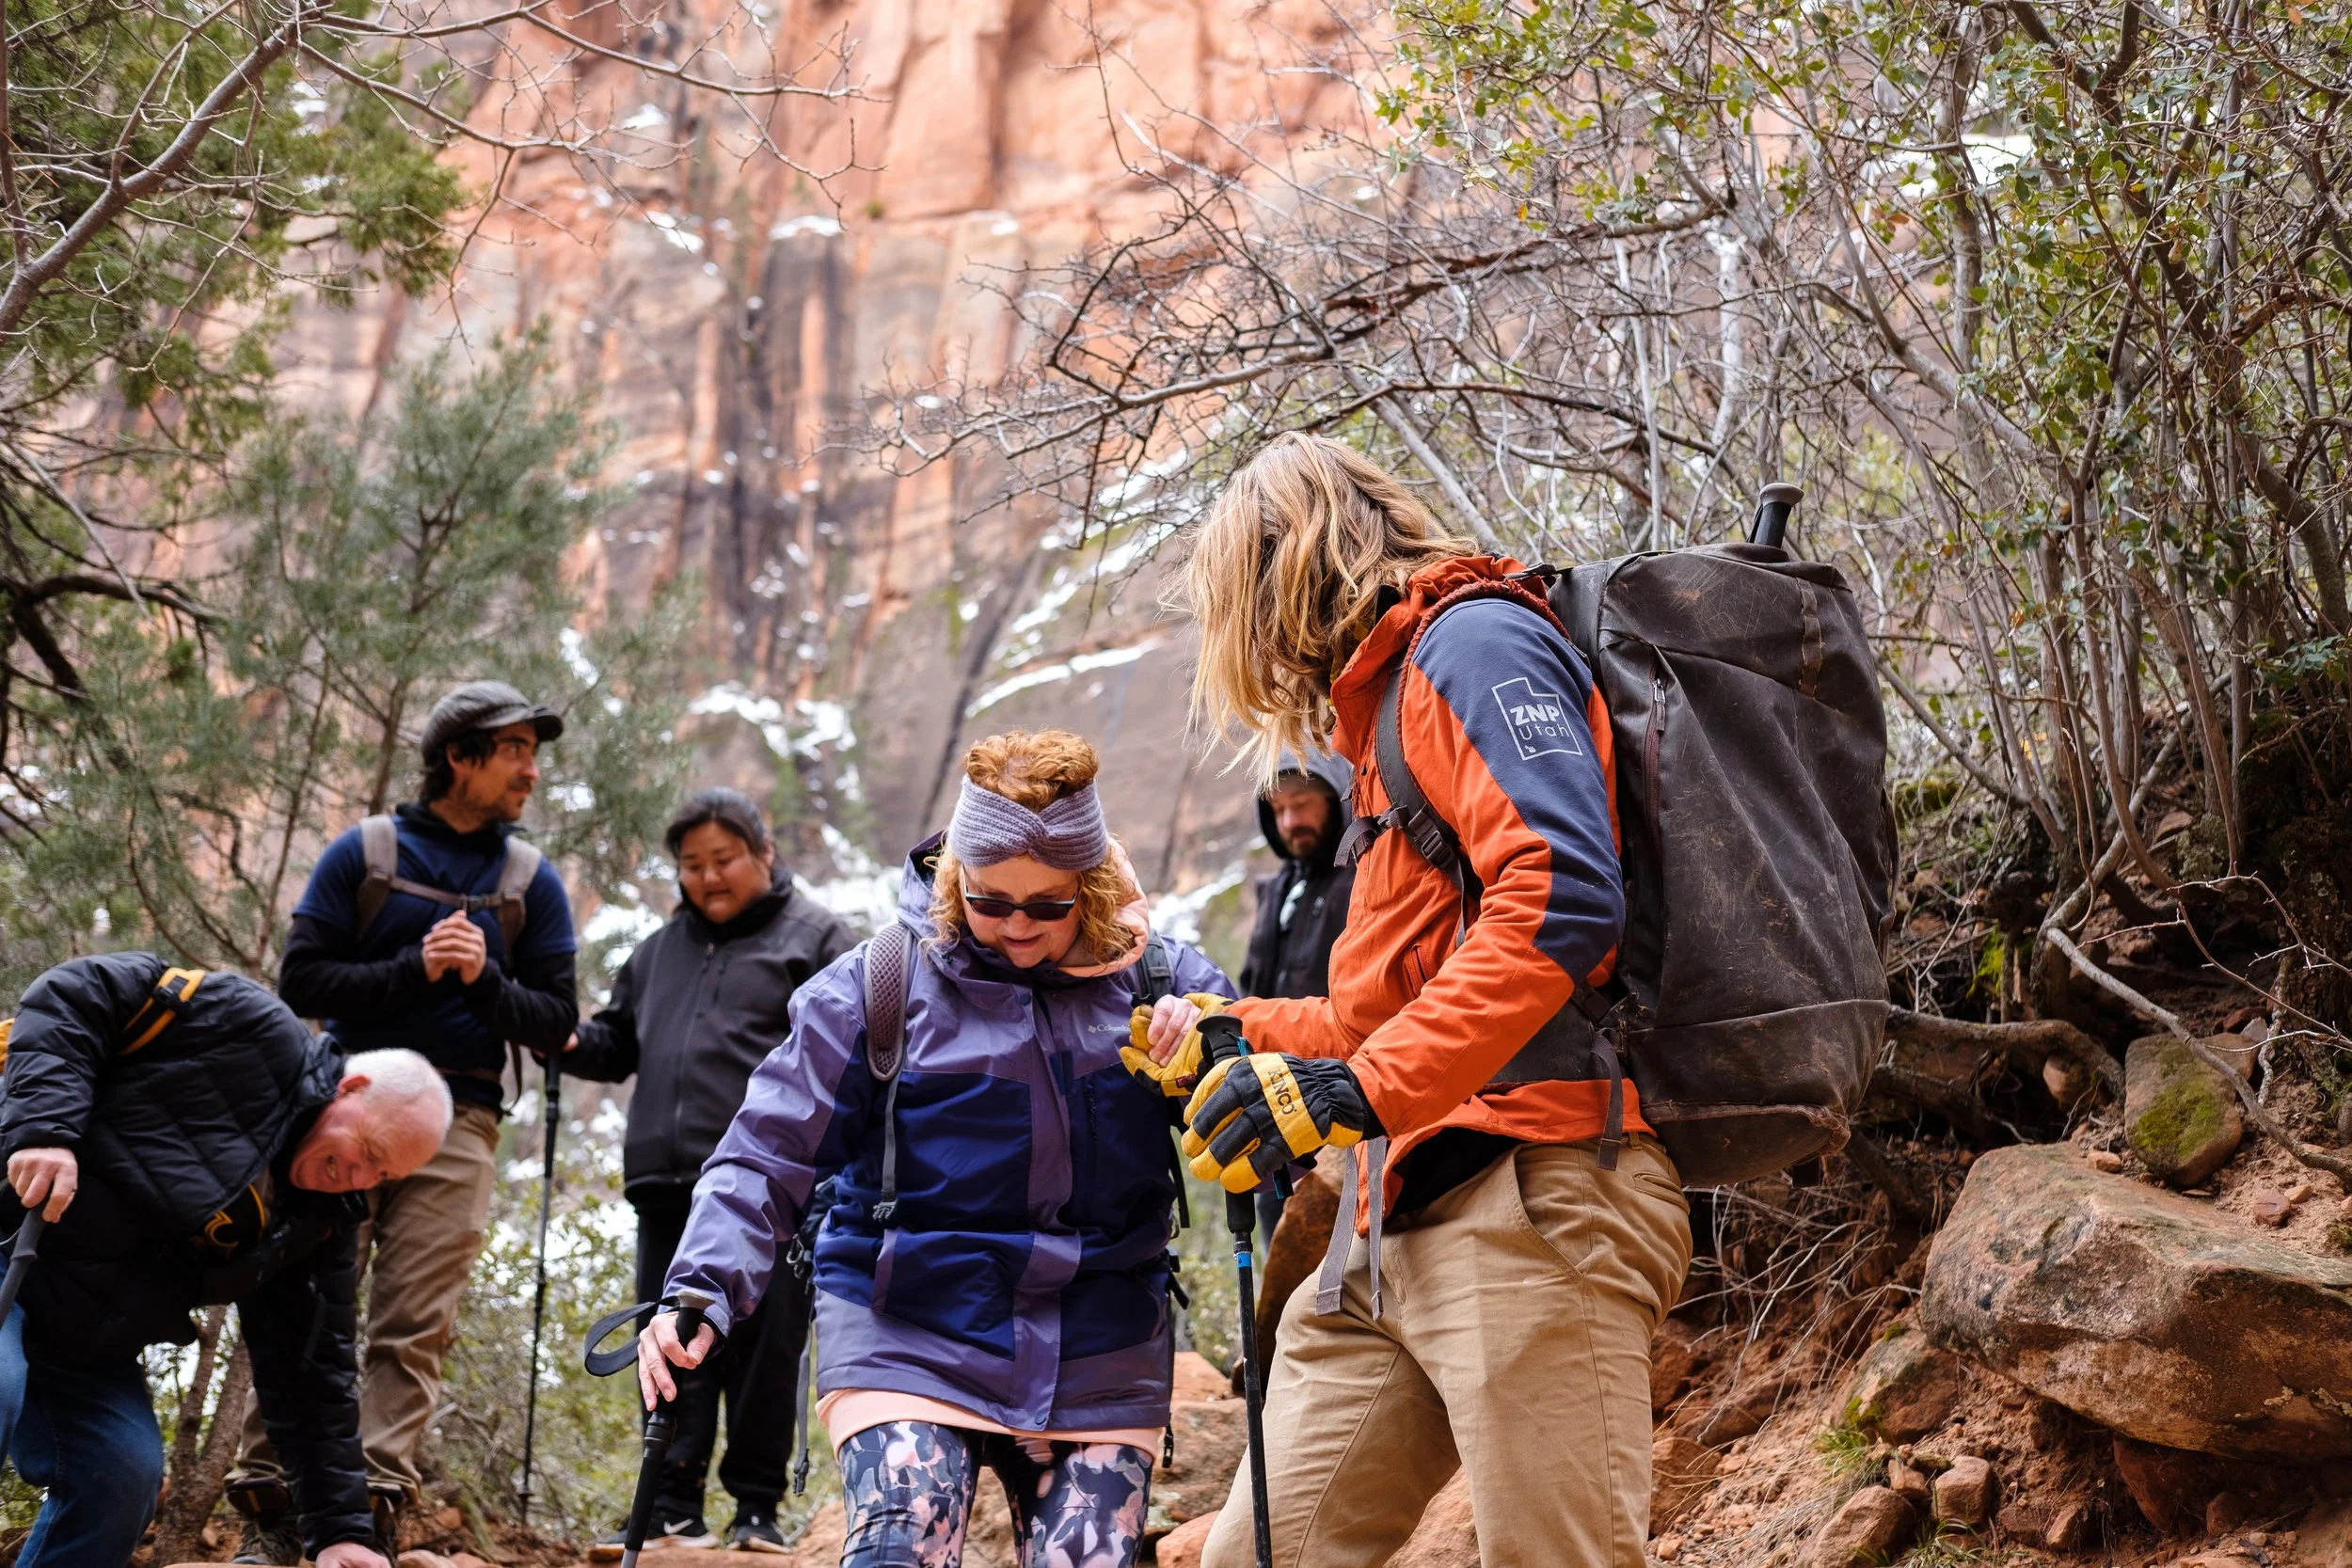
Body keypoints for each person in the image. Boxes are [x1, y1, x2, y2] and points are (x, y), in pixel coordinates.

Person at [1136, 433, 1693, 1568]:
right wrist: (1231, 1036)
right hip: (1388, 1222)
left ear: (1279, 574)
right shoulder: (1382, 712)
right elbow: (1378, 1012)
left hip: (1535, 1199)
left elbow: (1561, 896)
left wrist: (1359, 1088)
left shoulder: (1474, 644)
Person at [636, 731, 1231, 1568]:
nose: (1017, 926)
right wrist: (699, 1287)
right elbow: (765, 1150)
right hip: (903, 1316)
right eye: (991, 901)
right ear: (956, 877)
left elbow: (1261, 1125)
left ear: (1089, 887)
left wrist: (1207, 1062)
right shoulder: (879, 983)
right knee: (903, 1537)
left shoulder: (1163, 983)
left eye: (1048, 906)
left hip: (1100, 1331)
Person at [229, 680, 580, 1561]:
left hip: (461, 1121)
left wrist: (483, 981)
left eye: (534, 753)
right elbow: (301, 981)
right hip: (345, 1111)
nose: (531, 771)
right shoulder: (366, 852)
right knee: (299, 1298)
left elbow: (556, 1021)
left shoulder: (531, 883)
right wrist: (414, 968)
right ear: (458, 757)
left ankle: (371, 1506)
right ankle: (270, 1505)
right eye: (514, 751)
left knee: (414, 1321)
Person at [0, 952, 452, 1568]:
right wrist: (44, 1129)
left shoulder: (321, 1221)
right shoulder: (249, 1028)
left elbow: (312, 1374)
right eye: (368, 1148)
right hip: (10, 1236)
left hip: (75, 1332)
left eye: (383, 1172)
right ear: (350, 1087)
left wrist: (342, 1530)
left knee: (120, 1473)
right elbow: (78, 990)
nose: (360, 1176)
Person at [563, 788, 855, 1554]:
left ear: (764, 852)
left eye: (724, 859)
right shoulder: (657, 951)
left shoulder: (818, 939)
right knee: (670, 1337)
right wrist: (562, 1038)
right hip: (667, 1182)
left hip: (776, 1185)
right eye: (692, 865)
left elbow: (854, 1051)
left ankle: (754, 1508)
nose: (708, 877)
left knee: (766, 1342)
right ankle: (670, 1506)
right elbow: (615, 1044)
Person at [1237, 752, 1356, 1005]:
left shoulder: (1362, 883)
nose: (1289, 822)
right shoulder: (1277, 890)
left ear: (1337, 800)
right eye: (1278, 809)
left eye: (1301, 803)